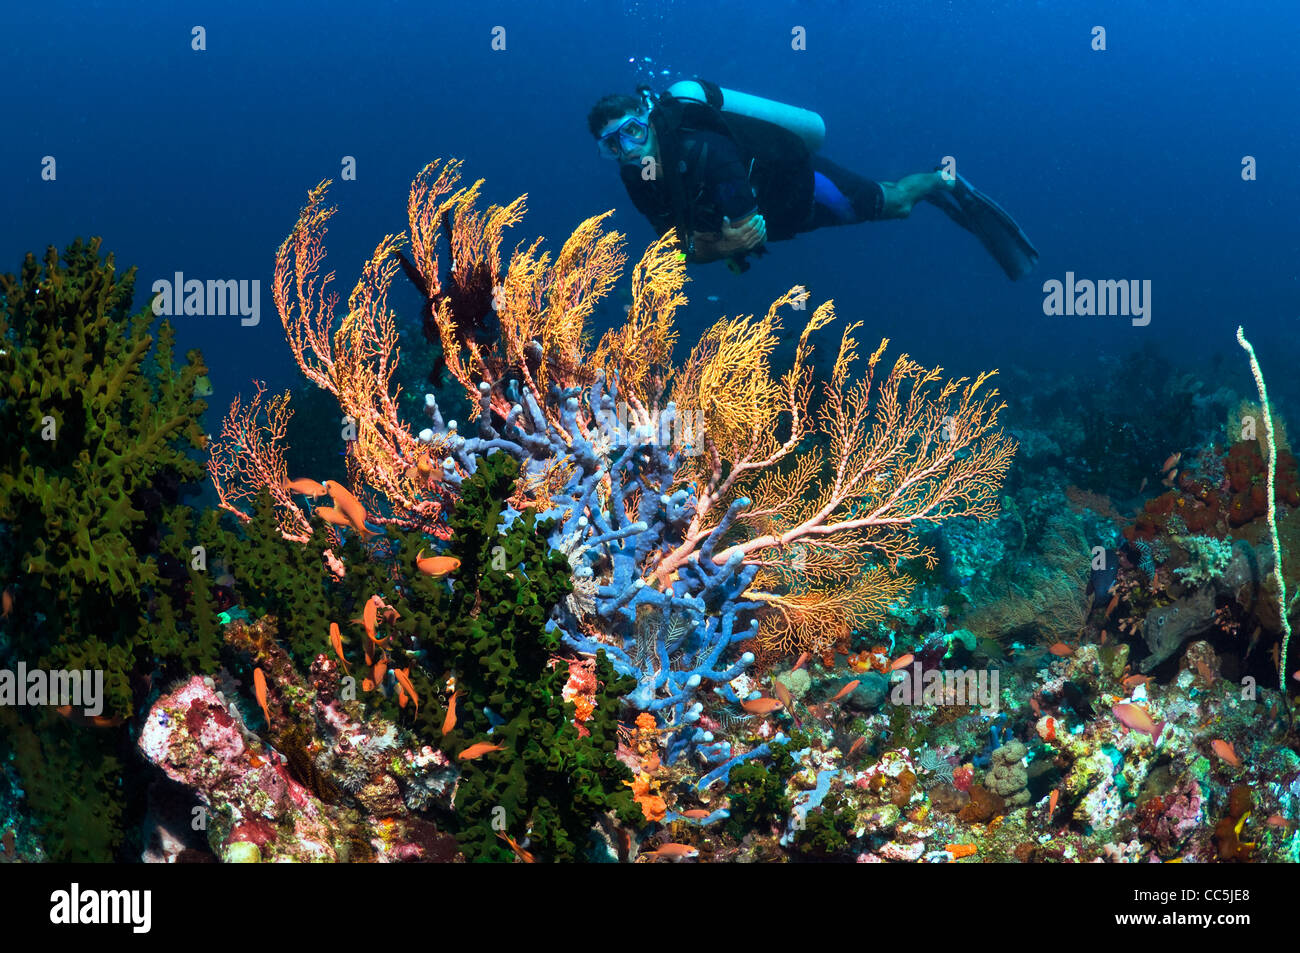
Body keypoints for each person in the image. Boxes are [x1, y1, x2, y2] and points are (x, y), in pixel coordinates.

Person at [587, 82, 1037, 279]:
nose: (629, 149)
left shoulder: (705, 151)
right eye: (614, 144)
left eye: (633, 131)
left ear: (648, 122)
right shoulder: (636, 178)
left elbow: (745, 231)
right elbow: (672, 247)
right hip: (788, 220)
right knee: (880, 198)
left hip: (804, 190)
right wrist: (706, 247)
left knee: (895, 203)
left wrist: (714, 247)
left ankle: (943, 181)